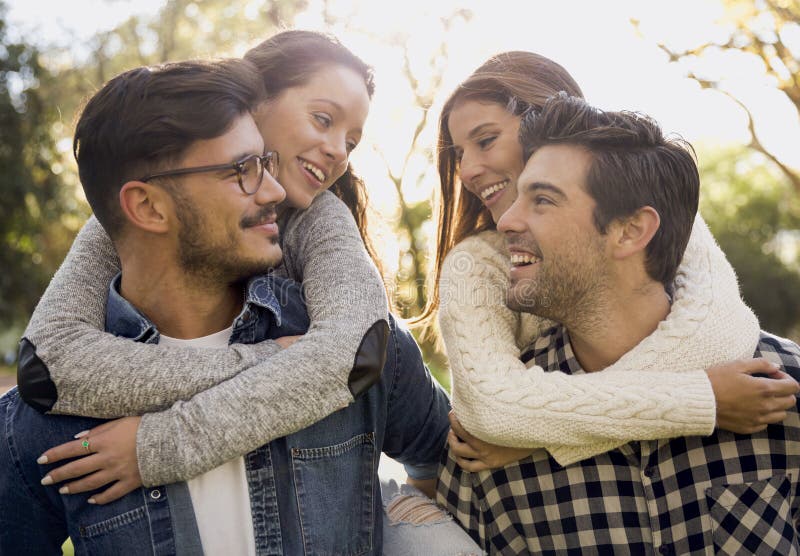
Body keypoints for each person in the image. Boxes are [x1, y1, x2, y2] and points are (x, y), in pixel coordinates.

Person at [0, 57, 481, 555]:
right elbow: (44, 363)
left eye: (265, 164)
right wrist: (270, 359)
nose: (275, 190)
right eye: (244, 170)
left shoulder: (366, 340)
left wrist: (404, 525)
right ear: (145, 207)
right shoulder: (43, 423)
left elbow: (456, 469)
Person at [439, 93, 800, 554]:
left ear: (631, 231)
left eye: (543, 199)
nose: (506, 220)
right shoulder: (484, 455)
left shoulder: (780, 390)